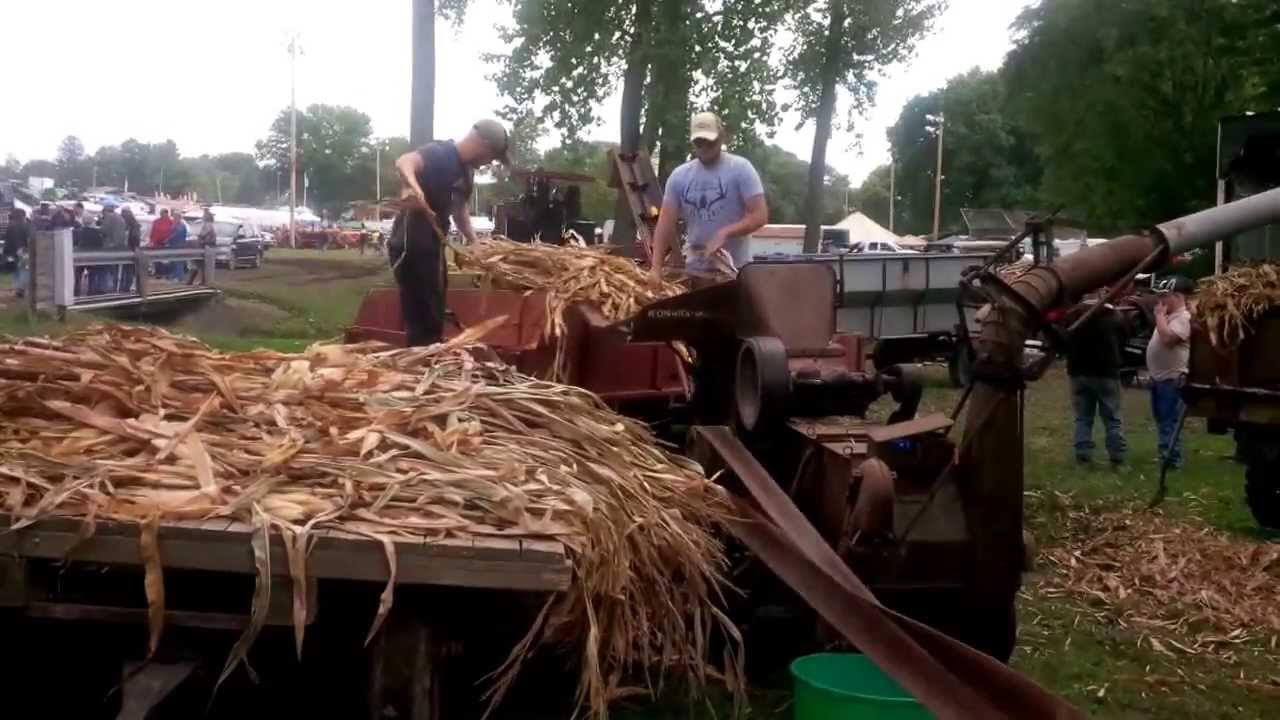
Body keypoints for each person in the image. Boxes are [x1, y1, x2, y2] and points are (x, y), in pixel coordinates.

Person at [391, 118, 510, 346]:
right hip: (411, 246)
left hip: (433, 247)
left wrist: (474, 240)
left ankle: (426, 360)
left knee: (435, 311)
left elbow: (460, 209)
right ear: (483, 145)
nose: (489, 162)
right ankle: (420, 366)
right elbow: (405, 162)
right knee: (423, 318)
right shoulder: (440, 154)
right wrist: (415, 190)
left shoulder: (466, 172)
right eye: (492, 156)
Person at [650, 111, 768, 282]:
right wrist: (655, 268)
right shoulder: (679, 176)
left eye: (709, 142)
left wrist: (725, 233)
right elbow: (665, 223)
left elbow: (760, 215)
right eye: (699, 142)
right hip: (695, 271)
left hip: (735, 272)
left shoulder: (741, 169)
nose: (704, 147)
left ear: (721, 137)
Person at [1064, 299, 1129, 466]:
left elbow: (1064, 339)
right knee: (1112, 418)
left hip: (1078, 372)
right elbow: (1124, 340)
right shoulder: (1114, 317)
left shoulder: (1074, 315)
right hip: (1105, 373)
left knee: (1083, 417)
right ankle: (1117, 456)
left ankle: (1083, 453)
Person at [1147, 275, 1194, 469]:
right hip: (1160, 379)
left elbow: (1168, 339)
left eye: (1165, 296)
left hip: (1172, 380)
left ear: (1177, 296)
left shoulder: (1184, 318)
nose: (1161, 301)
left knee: (1169, 422)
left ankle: (1171, 460)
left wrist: (1159, 317)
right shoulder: (1170, 317)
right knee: (1162, 421)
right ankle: (1166, 455)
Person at [96, 203, 127, 294]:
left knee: (105, 268)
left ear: (105, 211)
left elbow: (104, 230)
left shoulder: (109, 217)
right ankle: (115, 287)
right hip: (119, 246)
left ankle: (104, 288)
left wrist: (98, 228)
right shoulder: (120, 218)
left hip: (109, 246)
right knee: (115, 269)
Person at [3, 208, 31, 297]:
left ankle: (17, 287)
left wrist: (6, 251)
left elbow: (7, 240)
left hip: (12, 251)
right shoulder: (27, 225)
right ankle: (21, 288)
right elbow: (29, 238)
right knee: (24, 269)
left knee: (15, 269)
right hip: (24, 250)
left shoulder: (11, 226)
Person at [121, 207, 142, 292]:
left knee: (129, 269)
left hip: (130, 249)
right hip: (128, 249)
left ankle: (126, 287)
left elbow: (135, 238)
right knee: (127, 269)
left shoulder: (133, 226)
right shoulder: (128, 225)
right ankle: (125, 287)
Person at [165, 214, 190, 281]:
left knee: (178, 261)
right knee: (174, 261)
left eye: (175, 218)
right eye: (174, 218)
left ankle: (179, 277)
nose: (174, 219)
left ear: (179, 218)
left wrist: (168, 239)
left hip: (179, 246)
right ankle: (174, 275)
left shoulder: (181, 226)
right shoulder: (175, 225)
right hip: (173, 245)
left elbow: (176, 234)